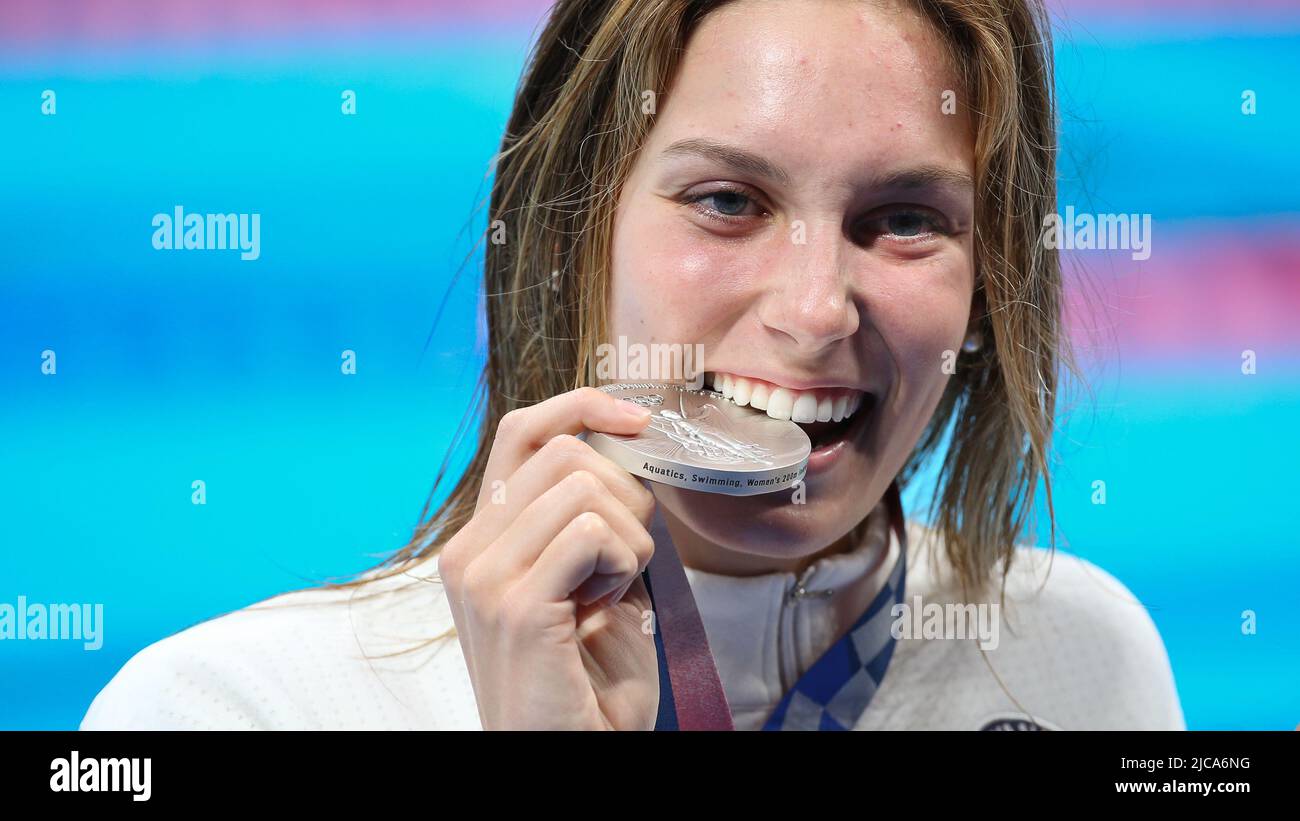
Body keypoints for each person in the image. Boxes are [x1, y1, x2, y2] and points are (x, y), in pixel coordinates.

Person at [81, 0, 1184, 731]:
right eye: (726, 202)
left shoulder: (1083, 661)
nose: (812, 311)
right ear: (572, 237)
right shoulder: (228, 708)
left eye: (901, 218)